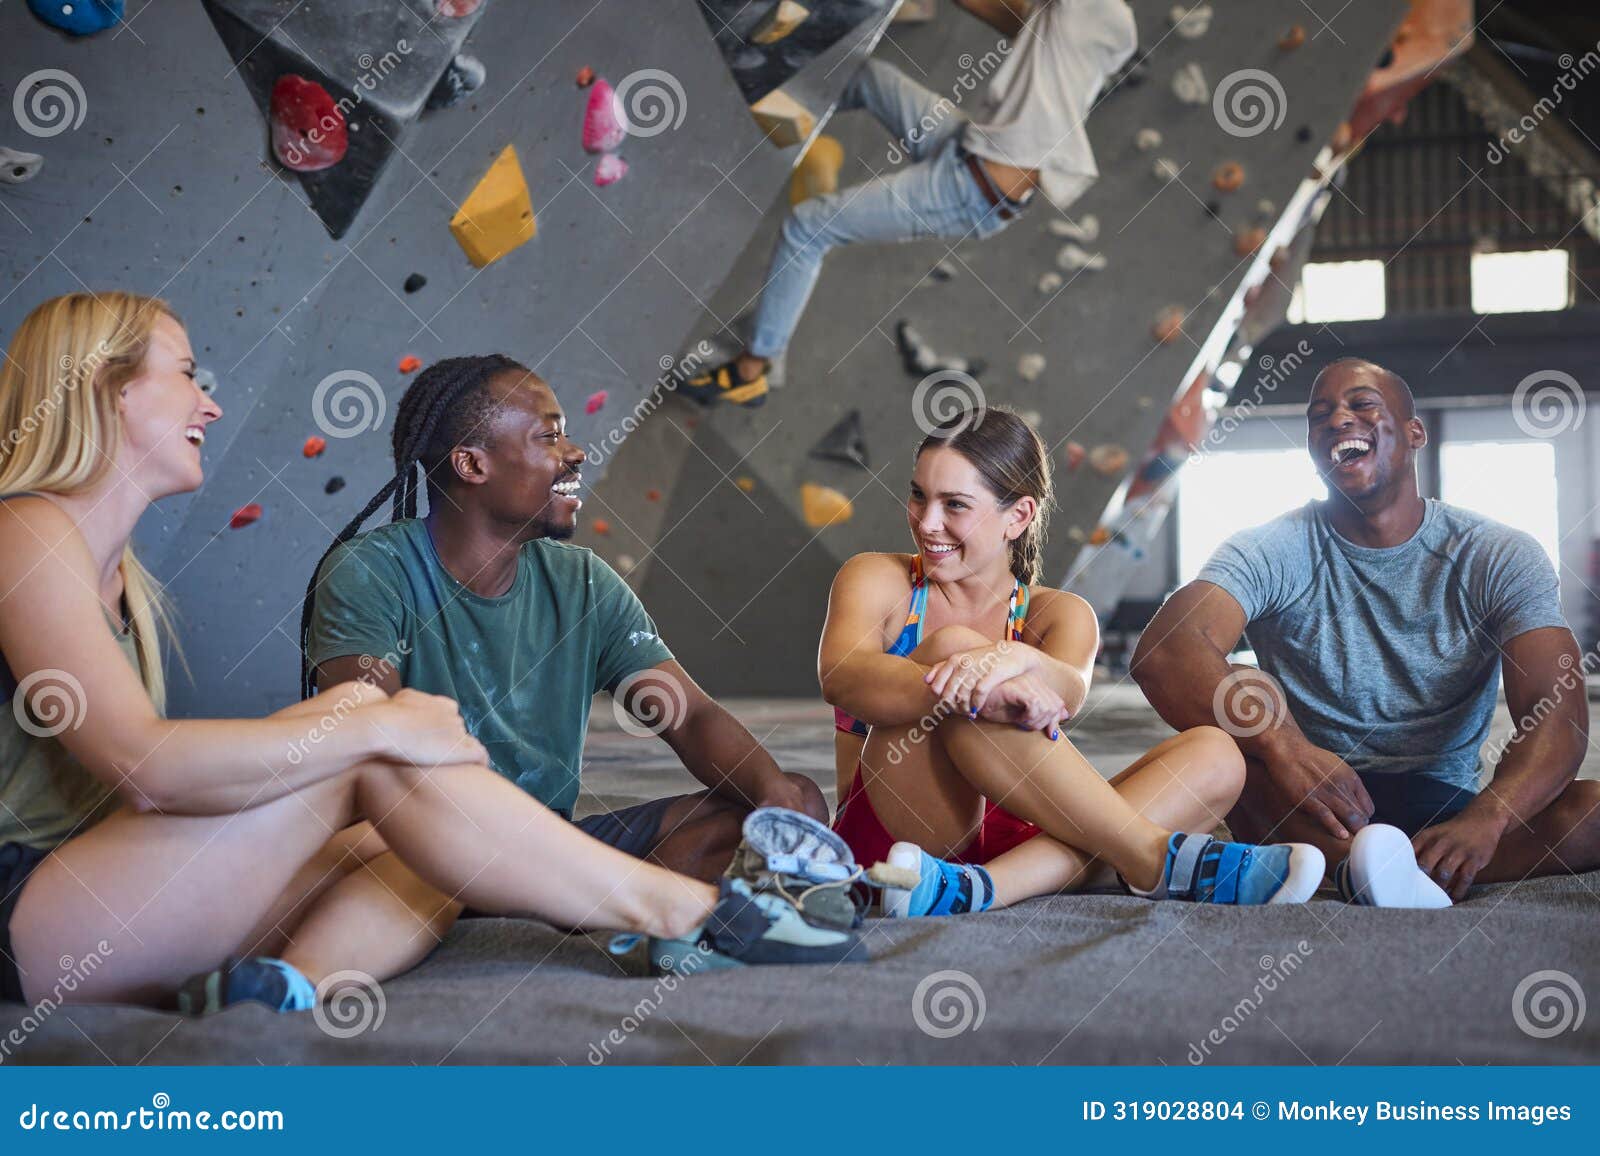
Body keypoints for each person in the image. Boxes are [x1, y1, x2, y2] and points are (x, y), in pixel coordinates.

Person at [0, 293, 861, 1015]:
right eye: (186, 373)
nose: (209, 403)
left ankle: (287, 994)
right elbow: (146, 766)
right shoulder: (25, 531)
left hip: (108, 886)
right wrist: (391, 723)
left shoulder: (119, 575)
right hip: (31, 911)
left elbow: (691, 713)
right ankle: (691, 916)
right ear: (103, 387)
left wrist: (773, 792)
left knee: (411, 836)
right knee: (377, 752)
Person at [301, 355, 825, 888]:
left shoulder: (584, 581)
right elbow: (375, 745)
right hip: (425, 845)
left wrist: (775, 798)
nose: (575, 454)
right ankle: (635, 902)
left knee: (789, 797)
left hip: (548, 843)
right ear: (472, 465)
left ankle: (628, 910)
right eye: (548, 437)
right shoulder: (369, 571)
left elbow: (688, 717)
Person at [818, 407, 1323, 915]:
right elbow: (842, 675)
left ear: (1018, 516)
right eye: (919, 496)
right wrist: (977, 676)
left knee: (1217, 753)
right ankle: (1146, 856)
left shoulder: (1060, 614)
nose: (927, 523)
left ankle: (984, 888)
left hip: (1023, 842)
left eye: (954, 504)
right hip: (896, 840)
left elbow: (1068, 689)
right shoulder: (878, 578)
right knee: (956, 650)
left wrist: (1010, 657)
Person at [1132, 358, 1600, 906]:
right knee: (1225, 749)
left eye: (1362, 404)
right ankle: (1380, 870)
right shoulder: (1270, 547)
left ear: (1413, 432)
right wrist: (1284, 747)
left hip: (1445, 804)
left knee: (1590, 809)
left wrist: (1488, 819)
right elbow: (1166, 651)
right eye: (1319, 414)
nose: (1337, 420)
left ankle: (1367, 869)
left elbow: (1557, 710)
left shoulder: (1496, 552)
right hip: (1310, 801)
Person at [682, 0, 1137, 408]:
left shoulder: (1100, 11)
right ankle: (760, 102)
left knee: (808, 229)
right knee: (865, 77)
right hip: (964, 147)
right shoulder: (1078, 22)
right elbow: (1010, 15)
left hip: (972, 190)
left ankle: (752, 371)